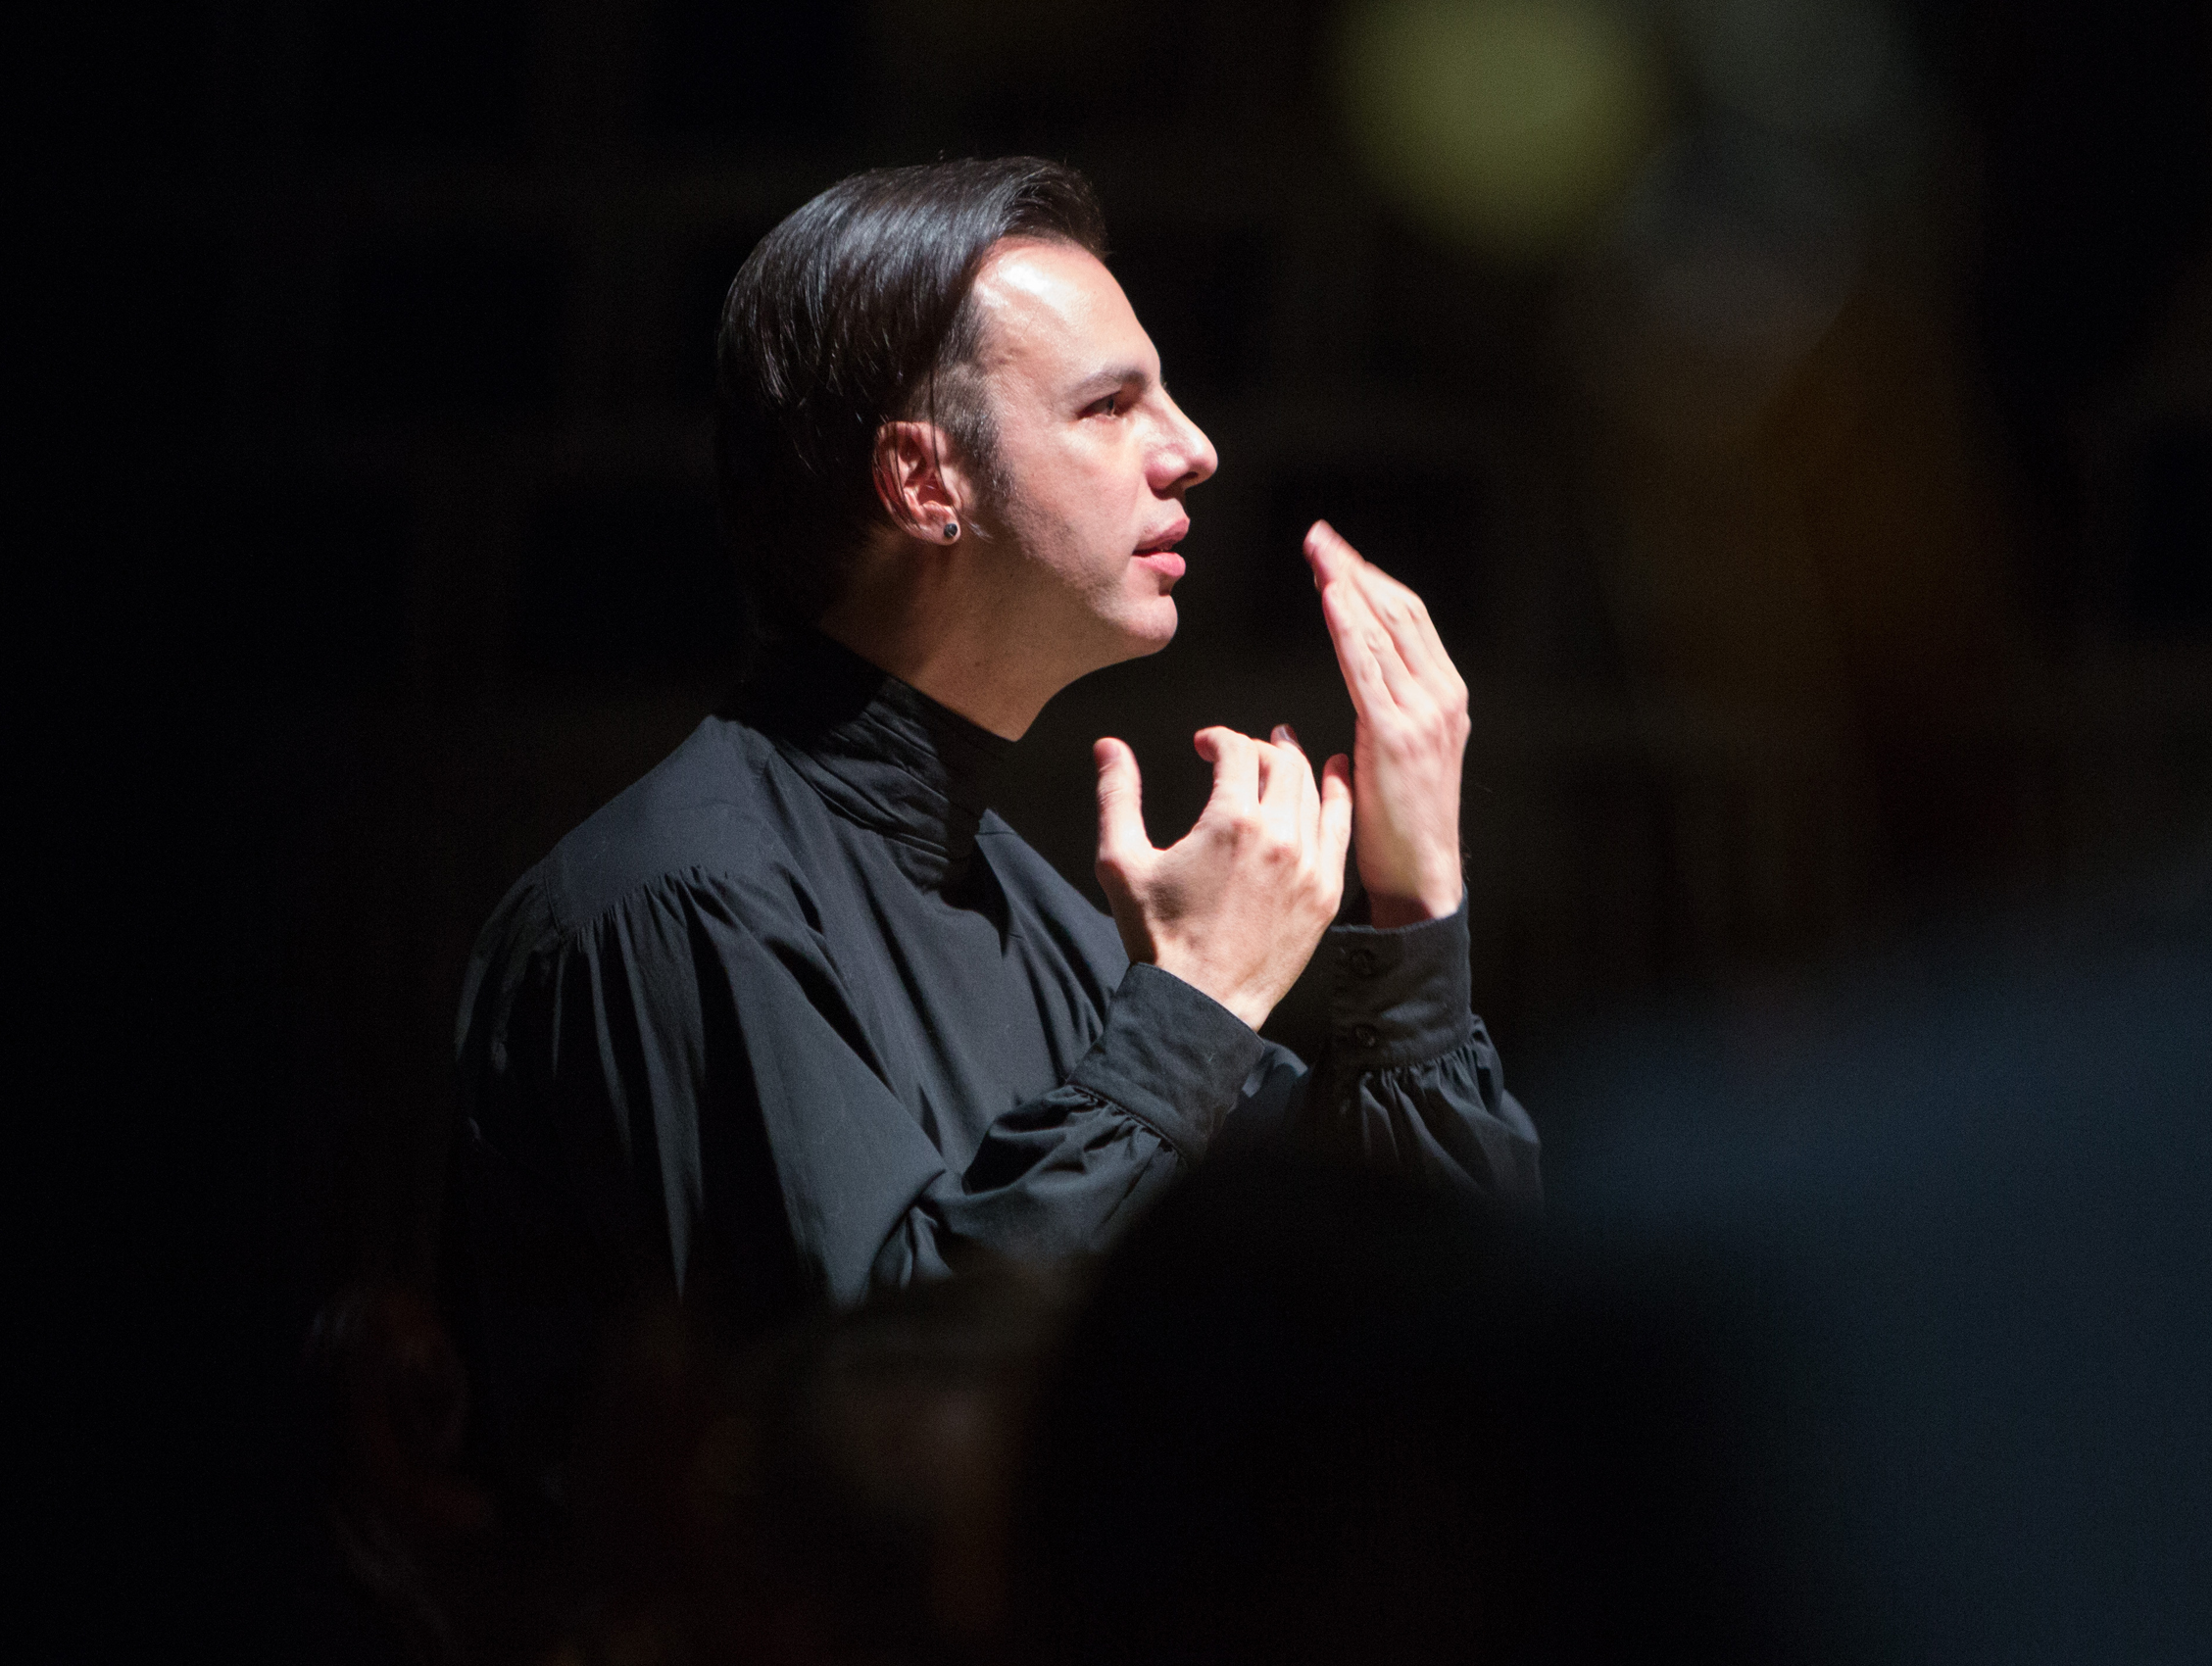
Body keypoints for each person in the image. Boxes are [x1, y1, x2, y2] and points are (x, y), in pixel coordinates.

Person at [447, 157, 1538, 1523]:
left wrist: (1415, 894)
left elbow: (1429, 1308)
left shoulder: (1034, 911)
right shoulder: (681, 903)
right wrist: (1192, 1006)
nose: (1192, 444)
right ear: (923, 479)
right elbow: (875, 1442)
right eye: (1110, 404)